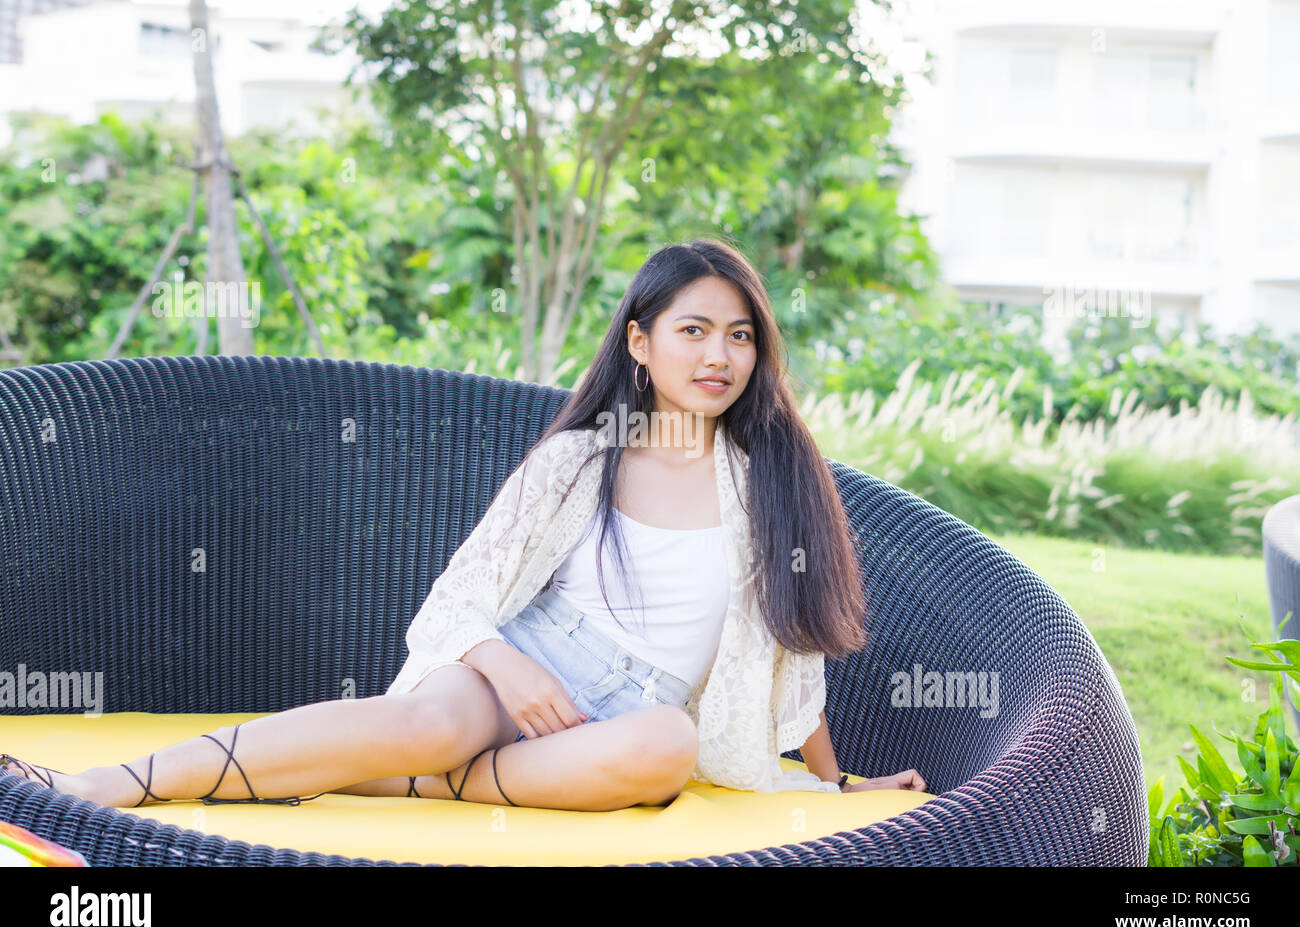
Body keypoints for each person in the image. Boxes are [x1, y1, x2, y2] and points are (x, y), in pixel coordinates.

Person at [1, 238, 925, 811]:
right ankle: (112, 784)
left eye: (739, 334)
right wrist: (508, 665)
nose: (718, 353)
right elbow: (460, 598)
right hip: (522, 667)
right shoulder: (578, 461)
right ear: (640, 344)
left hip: (628, 718)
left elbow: (793, 662)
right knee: (435, 722)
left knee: (665, 750)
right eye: (693, 330)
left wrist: (836, 782)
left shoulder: (774, 486)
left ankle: (432, 783)